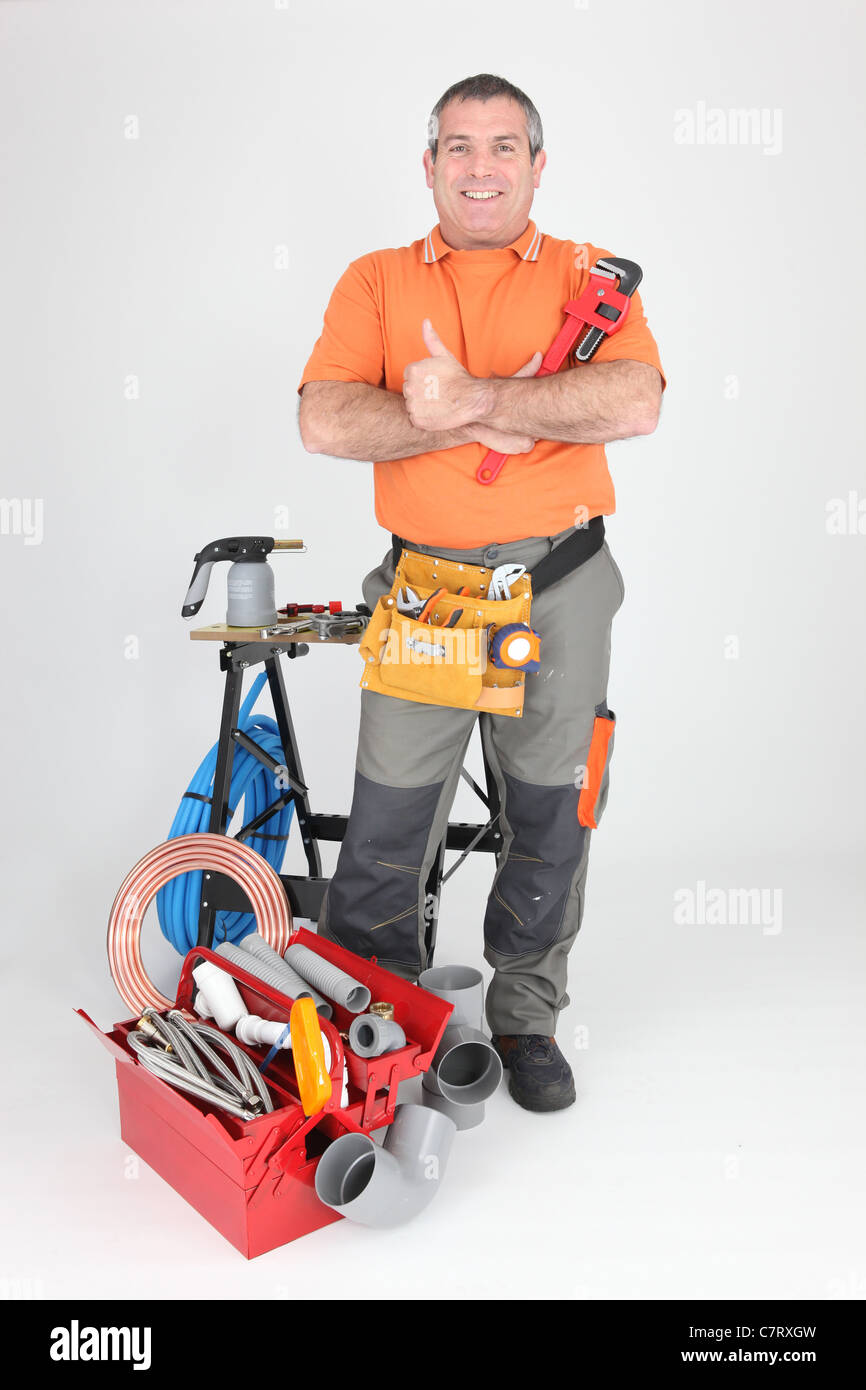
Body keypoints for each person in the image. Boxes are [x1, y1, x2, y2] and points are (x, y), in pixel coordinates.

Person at [297, 73, 666, 1112]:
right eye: (457, 147)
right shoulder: (373, 280)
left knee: (550, 809)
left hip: (561, 585)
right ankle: (376, 1020)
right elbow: (326, 419)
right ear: (427, 165)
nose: (479, 167)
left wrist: (483, 393)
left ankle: (525, 1016)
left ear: (536, 166)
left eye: (503, 147)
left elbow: (631, 399)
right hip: (425, 595)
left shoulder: (588, 276)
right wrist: (468, 416)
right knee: (386, 823)